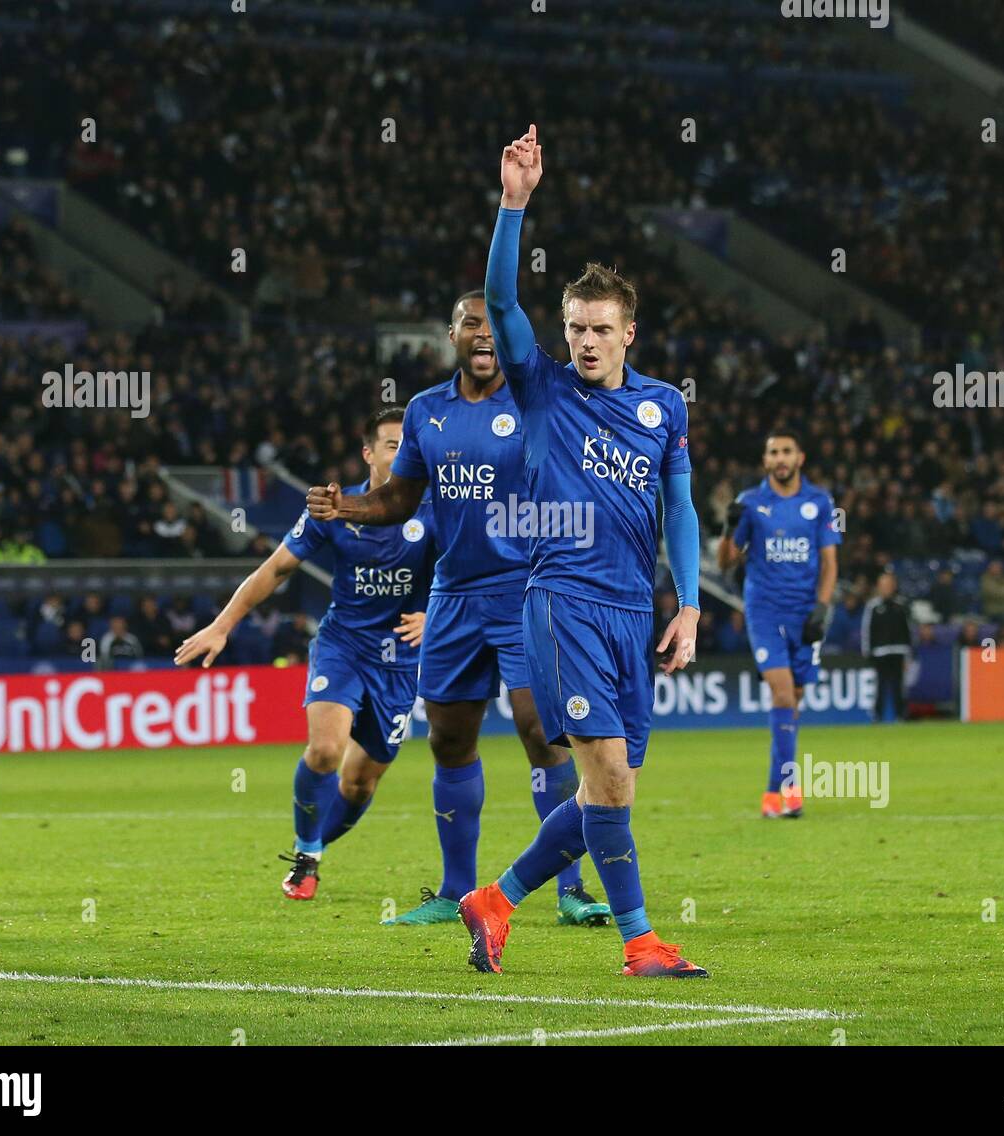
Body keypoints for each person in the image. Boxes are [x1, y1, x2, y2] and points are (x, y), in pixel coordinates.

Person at [453, 123, 706, 978]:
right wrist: (513, 205)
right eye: (574, 327)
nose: (584, 342)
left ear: (629, 332)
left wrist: (693, 602)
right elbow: (499, 301)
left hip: (636, 612)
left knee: (611, 793)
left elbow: (680, 505)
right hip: (561, 605)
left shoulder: (664, 408)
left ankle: (494, 900)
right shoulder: (545, 387)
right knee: (603, 778)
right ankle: (642, 944)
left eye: (600, 329)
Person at [306, 291, 610, 928]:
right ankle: (454, 891)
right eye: (471, 323)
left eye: (494, 324)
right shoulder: (425, 411)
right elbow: (399, 500)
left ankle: (570, 891)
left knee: (543, 735)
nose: (484, 334)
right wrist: (347, 508)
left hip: (525, 591)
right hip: (453, 596)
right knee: (448, 740)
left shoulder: (538, 403)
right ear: (451, 335)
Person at [177, 408, 436, 901]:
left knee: (360, 784)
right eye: (390, 444)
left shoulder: (434, 509)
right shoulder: (335, 510)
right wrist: (222, 625)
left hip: (400, 660)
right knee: (325, 750)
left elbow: (467, 575)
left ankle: (314, 848)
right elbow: (276, 569)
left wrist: (436, 616)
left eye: (409, 445)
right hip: (343, 646)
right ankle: (307, 853)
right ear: (368, 454)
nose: (401, 453)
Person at [718, 430, 840, 818]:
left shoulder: (819, 501)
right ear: (766, 461)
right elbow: (725, 562)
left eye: (787, 451)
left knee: (793, 702)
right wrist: (728, 529)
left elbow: (830, 562)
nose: (781, 458)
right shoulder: (751, 503)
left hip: (805, 611)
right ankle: (790, 791)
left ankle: (773, 792)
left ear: (800, 457)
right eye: (774, 452)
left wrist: (822, 607)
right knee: (784, 695)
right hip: (765, 611)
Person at [861, 572, 912, 723]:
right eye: (883, 585)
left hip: (899, 651)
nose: (886, 588)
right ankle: (878, 716)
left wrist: (908, 654)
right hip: (880, 652)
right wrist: (868, 652)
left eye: (888, 585)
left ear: (893, 586)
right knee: (880, 686)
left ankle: (900, 715)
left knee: (899, 686)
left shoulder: (901, 605)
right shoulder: (873, 606)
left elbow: (908, 630)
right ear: (878, 587)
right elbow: (867, 630)